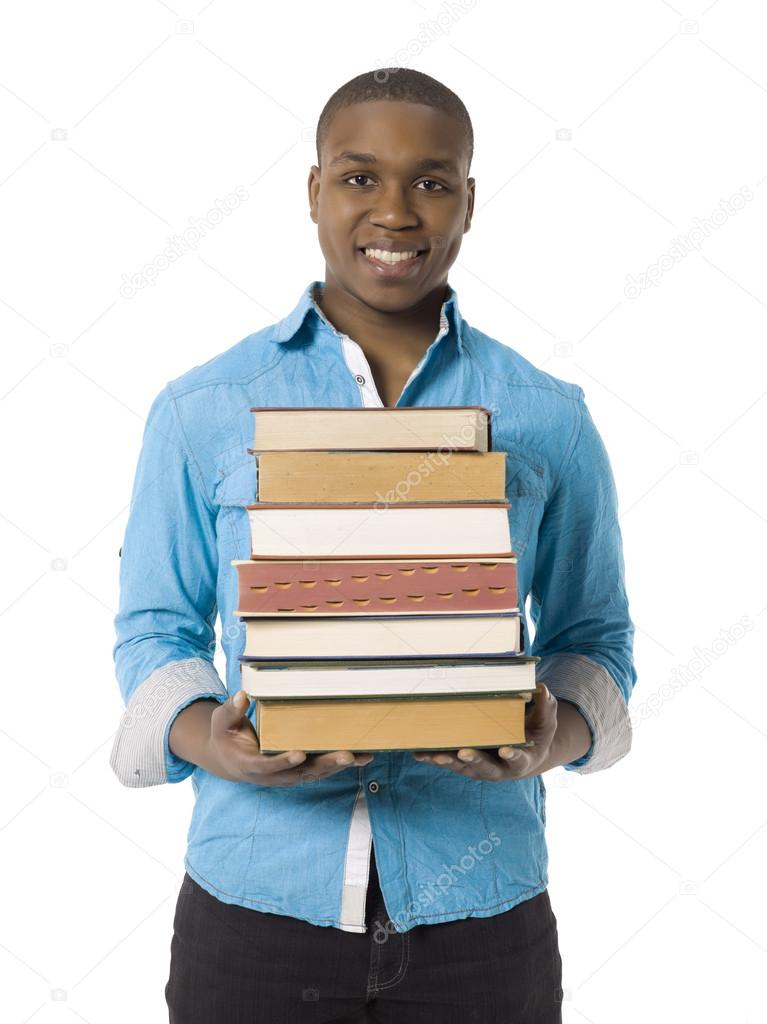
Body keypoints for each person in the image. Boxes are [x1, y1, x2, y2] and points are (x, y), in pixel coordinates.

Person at [110, 67, 637, 1024]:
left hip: (484, 920)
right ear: (313, 191)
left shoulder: (547, 417)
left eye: (430, 182)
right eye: (359, 178)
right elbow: (154, 627)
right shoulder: (201, 410)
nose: (393, 211)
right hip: (255, 912)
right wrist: (208, 742)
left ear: (468, 201)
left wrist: (546, 737)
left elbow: (595, 636)